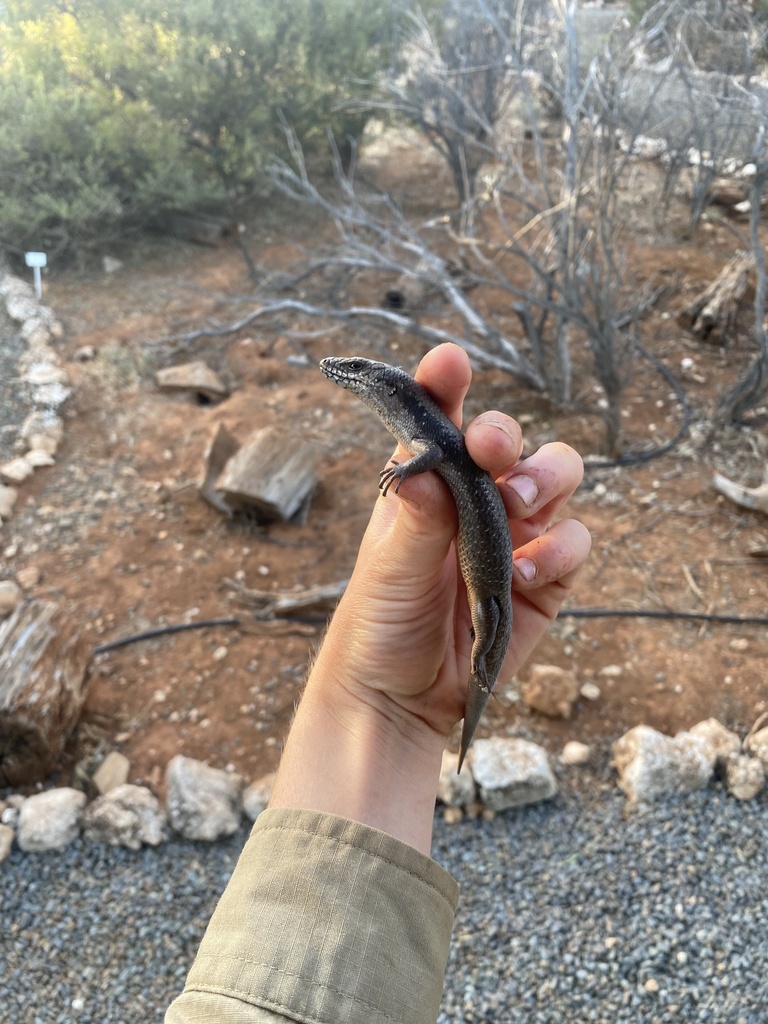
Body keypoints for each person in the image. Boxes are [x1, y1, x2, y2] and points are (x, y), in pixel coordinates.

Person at [166, 343, 591, 1024]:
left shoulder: (425, 430)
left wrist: (387, 708)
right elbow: (428, 456)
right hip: (474, 583)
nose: (343, 374)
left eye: (356, 371)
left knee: (492, 618)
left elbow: (431, 455)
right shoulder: (420, 428)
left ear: (388, 387)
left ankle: (478, 680)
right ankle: (471, 691)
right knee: (490, 613)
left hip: (489, 579)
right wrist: (384, 705)